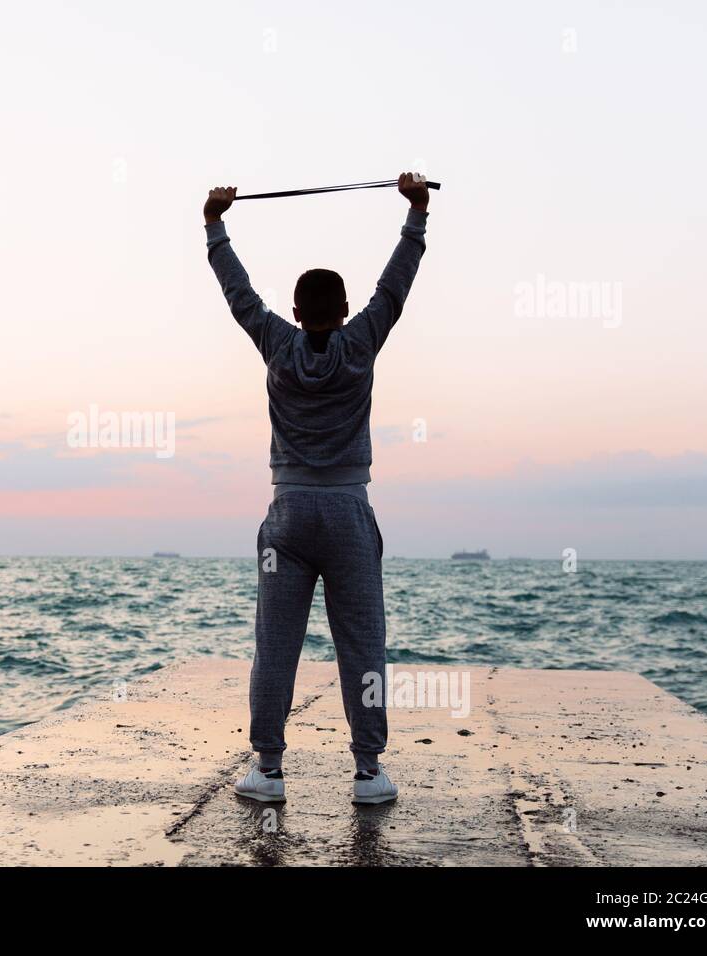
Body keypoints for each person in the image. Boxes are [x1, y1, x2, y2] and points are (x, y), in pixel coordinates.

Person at [202, 172, 430, 805]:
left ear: (297, 313)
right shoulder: (362, 342)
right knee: (363, 645)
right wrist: (416, 214)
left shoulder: (278, 342)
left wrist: (215, 224)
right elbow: (396, 289)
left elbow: (240, 296)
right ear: (347, 310)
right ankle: (367, 774)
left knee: (276, 645)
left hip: (289, 514)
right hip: (350, 512)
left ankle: (269, 771)